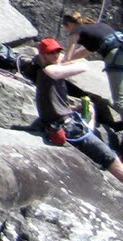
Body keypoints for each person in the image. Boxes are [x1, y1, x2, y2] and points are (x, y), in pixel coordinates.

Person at [31, 37, 123, 184]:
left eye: (57, 52)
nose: (55, 56)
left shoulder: (49, 73)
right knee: (110, 158)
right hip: (67, 128)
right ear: (43, 55)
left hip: (63, 123)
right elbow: (80, 68)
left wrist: (76, 108)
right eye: (51, 53)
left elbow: (54, 105)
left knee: (91, 117)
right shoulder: (49, 69)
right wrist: (73, 62)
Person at [61, 10, 123, 110]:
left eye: (64, 25)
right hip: (120, 46)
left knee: (120, 101)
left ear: (68, 24)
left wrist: (61, 61)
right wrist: (68, 57)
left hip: (114, 54)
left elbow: (67, 57)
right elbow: (86, 51)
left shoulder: (75, 30)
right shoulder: (98, 26)